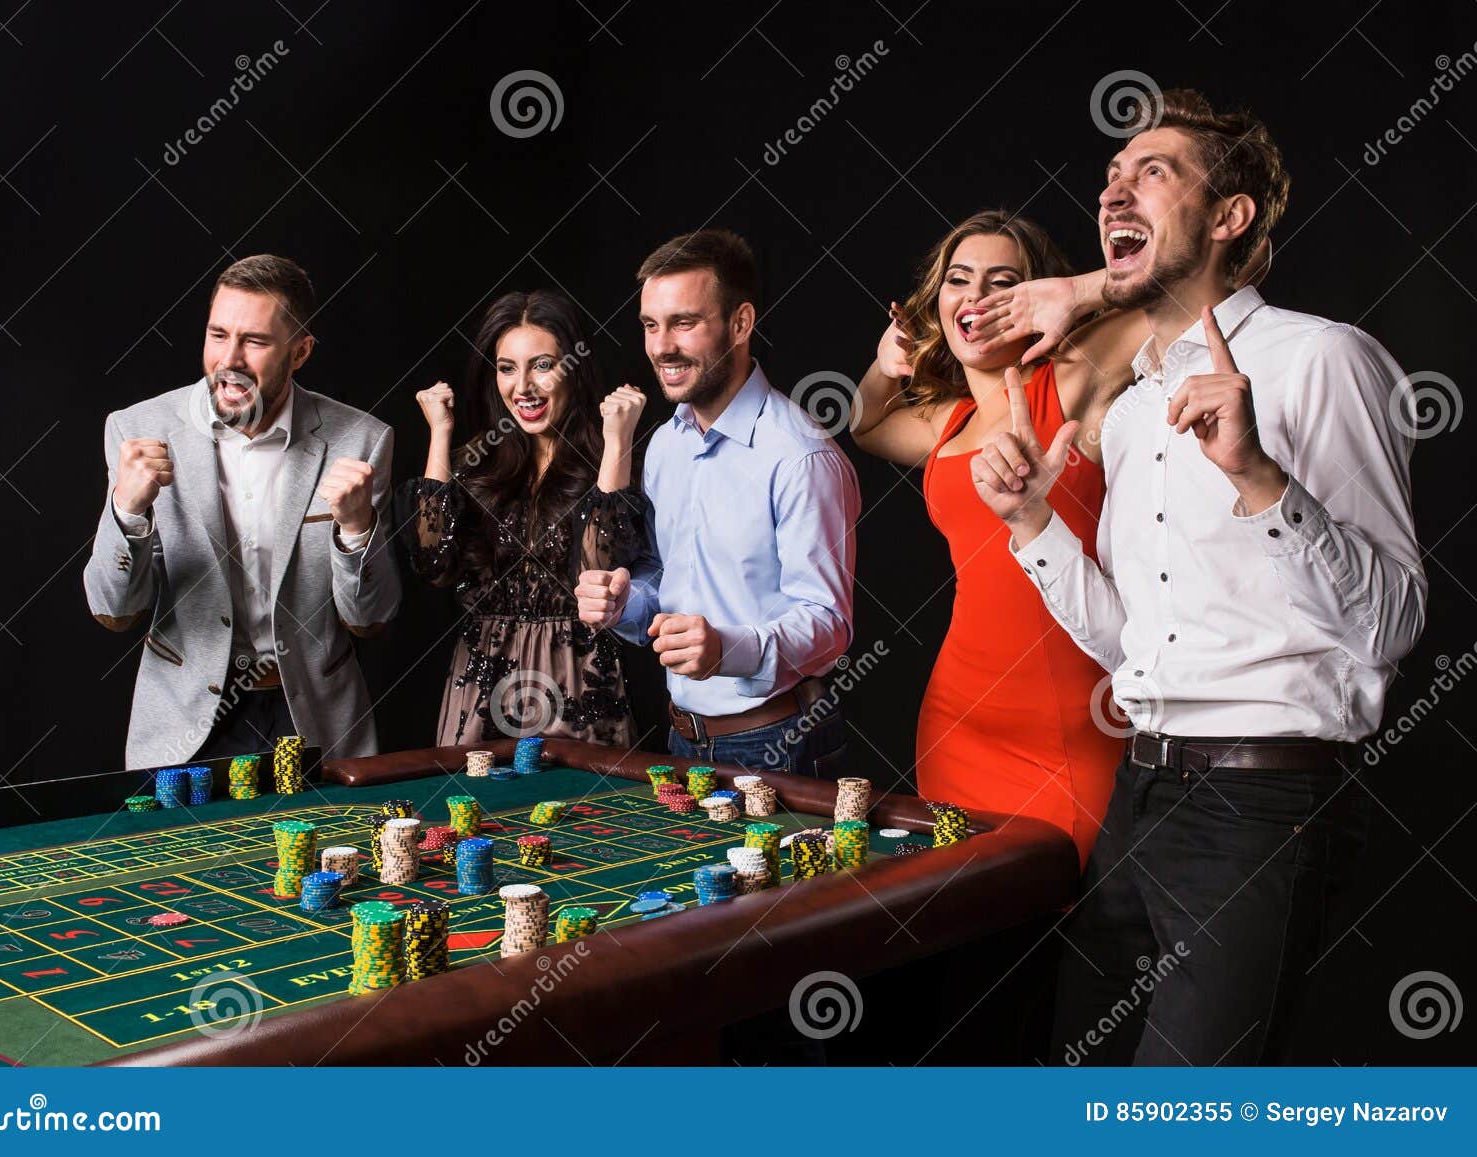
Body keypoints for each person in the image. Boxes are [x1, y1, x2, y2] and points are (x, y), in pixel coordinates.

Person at [972, 88, 1425, 1064]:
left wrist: (1260, 478)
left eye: (1150, 171)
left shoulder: (1321, 360)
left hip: (1265, 807)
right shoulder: (1135, 408)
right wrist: (1033, 524)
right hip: (1139, 798)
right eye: (1108, 177)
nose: (1112, 191)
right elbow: (1129, 637)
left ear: (1229, 217)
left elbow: (1392, 623)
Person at [851, 209, 1134, 865]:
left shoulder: (1072, 380)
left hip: (1078, 722)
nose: (975, 298)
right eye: (959, 280)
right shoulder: (946, 423)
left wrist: (1079, 293)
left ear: (1036, 297)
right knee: (971, 927)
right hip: (957, 724)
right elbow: (865, 424)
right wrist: (882, 363)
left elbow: (1171, 292)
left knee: (1078, 932)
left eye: (1002, 282)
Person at [83, 254, 402, 769]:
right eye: (217, 335)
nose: (229, 359)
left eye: (254, 341)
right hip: (183, 721)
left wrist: (356, 528)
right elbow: (114, 610)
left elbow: (371, 617)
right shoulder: (137, 429)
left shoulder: (362, 440)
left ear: (300, 352)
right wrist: (128, 511)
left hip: (315, 717)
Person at [576, 229, 860, 777]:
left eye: (684, 323)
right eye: (651, 326)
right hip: (682, 740)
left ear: (741, 323)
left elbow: (829, 624)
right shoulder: (664, 444)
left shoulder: (801, 457)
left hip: (781, 741)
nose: (661, 346)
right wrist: (623, 603)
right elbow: (664, 578)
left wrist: (728, 649)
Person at [396, 290, 647, 747]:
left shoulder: (610, 463)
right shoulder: (480, 469)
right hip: (480, 684)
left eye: (543, 365)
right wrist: (440, 435)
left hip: (578, 683)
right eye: (507, 368)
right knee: (477, 817)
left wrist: (618, 444)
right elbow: (433, 563)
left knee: (580, 816)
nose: (523, 386)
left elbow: (599, 574)